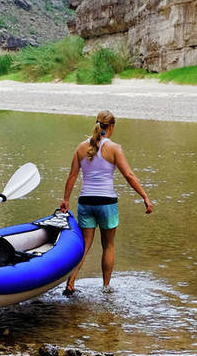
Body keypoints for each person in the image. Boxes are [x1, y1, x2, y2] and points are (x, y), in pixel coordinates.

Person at [59, 110, 152, 294]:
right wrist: (145, 197)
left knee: (84, 246)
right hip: (107, 203)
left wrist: (66, 200)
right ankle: (106, 288)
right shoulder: (115, 148)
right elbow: (129, 175)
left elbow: (72, 176)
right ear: (111, 127)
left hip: (86, 202)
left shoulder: (80, 148)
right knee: (108, 246)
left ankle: (70, 283)